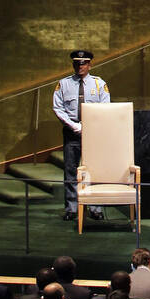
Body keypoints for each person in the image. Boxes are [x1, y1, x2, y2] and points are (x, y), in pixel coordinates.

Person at [52, 48, 110, 220]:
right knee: (70, 170)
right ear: (73, 64)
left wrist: (89, 125)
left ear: (90, 65)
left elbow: (104, 107)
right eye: (77, 63)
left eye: (83, 64)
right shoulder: (63, 84)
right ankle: (71, 208)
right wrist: (73, 126)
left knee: (93, 171)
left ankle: (95, 208)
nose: (80, 67)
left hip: (93, 133)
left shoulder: (99, 84)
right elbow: (58, 108)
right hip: (72, 133)